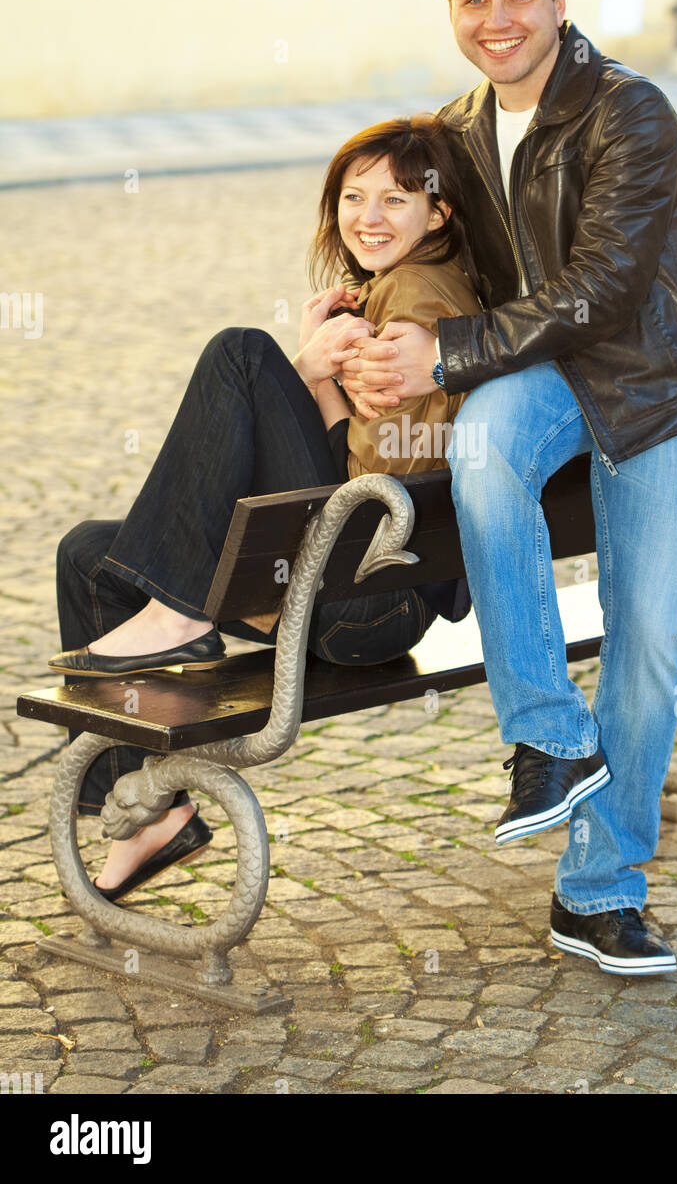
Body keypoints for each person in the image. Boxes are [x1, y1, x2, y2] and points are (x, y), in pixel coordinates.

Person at [335, 0, 677, 976]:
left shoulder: (631, 115)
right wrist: (359, 309)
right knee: (483, 446)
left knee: (647, 649)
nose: (497, 18)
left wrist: (445, 352)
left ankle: (598, 891)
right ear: (454, 12)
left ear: (559, 3)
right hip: (539, 377)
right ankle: (547, 735)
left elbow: (604, 292)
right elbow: (414, 236)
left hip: (652, 385)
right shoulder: (456, 130)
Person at [49, 115, 481, 901]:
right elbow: (364, 468)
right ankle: (152, 819)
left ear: (439, 212)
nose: (368, 217)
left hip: (366, 601)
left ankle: (182, 611)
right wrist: (316, 371)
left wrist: (304, 374)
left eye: (395, 198)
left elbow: (380, 490)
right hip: (352, 585)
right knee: (87, 555)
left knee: (241, 354)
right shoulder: (404, 293)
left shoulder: (413, 304)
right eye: (354, 196)